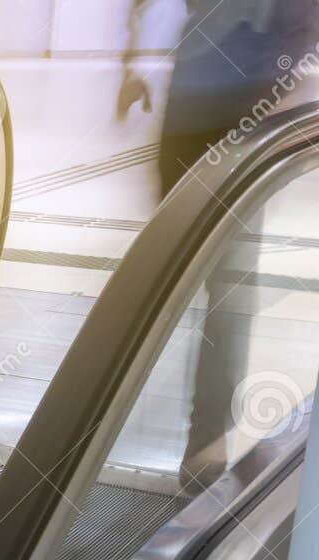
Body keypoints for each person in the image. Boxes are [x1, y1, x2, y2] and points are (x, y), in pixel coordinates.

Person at [116, 0, 313, 488]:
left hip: (208, 116)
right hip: (221, 119)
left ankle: (190, 440)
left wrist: (131, 65)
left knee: (191, 285)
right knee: (219, 290)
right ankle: (201, 446)